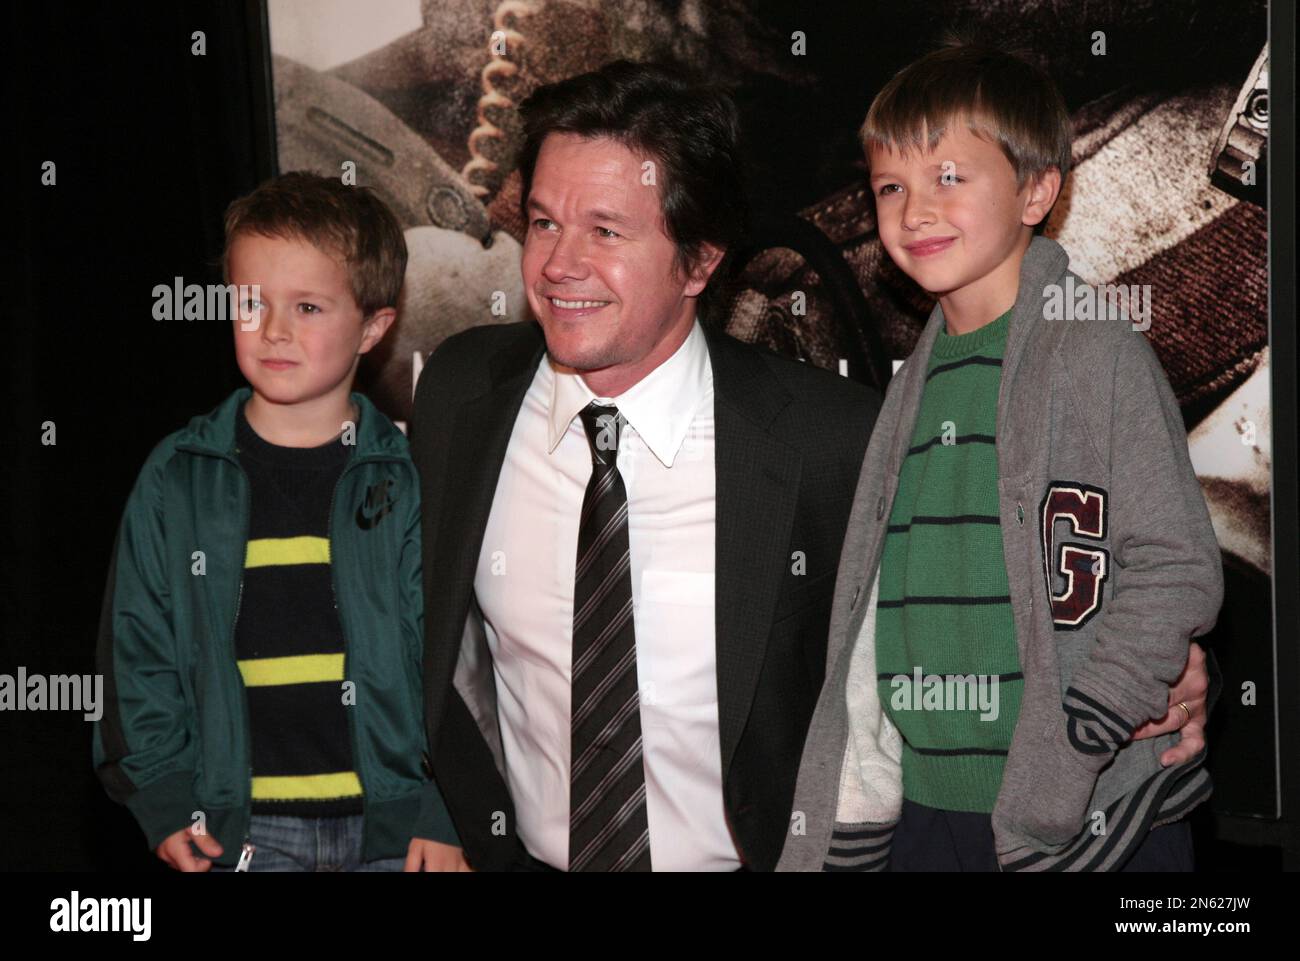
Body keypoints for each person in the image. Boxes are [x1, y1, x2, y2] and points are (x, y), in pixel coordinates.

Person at [411, 59, 1211, 872]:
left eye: (606, 231)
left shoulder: (833, 438)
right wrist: (430, 803)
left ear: (699, 262)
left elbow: (1077, 566)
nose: (557, 264)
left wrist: (1138, 678)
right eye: (544, 223)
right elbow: (414, 625)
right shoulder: (458, 396)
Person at [779, 41, 1223, 873]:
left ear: (1036, 189)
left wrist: (1086, 720)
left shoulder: (1094, 348)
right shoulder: (912, 380)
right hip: (926, 808)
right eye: (890, 186)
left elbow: (1176, 563)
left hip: (1087, 807)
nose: (913, 211)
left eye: (949, 176)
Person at [93, 172, 466, 872]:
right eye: (250, 302)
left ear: (375, 327)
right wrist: (165, 795)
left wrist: (443, 806)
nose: (273, 330)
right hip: (241, 834)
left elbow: (456, 664)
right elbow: (135, 653)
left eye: (309, 306)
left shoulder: (411, 479)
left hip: (397, 833)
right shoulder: (180, 476)